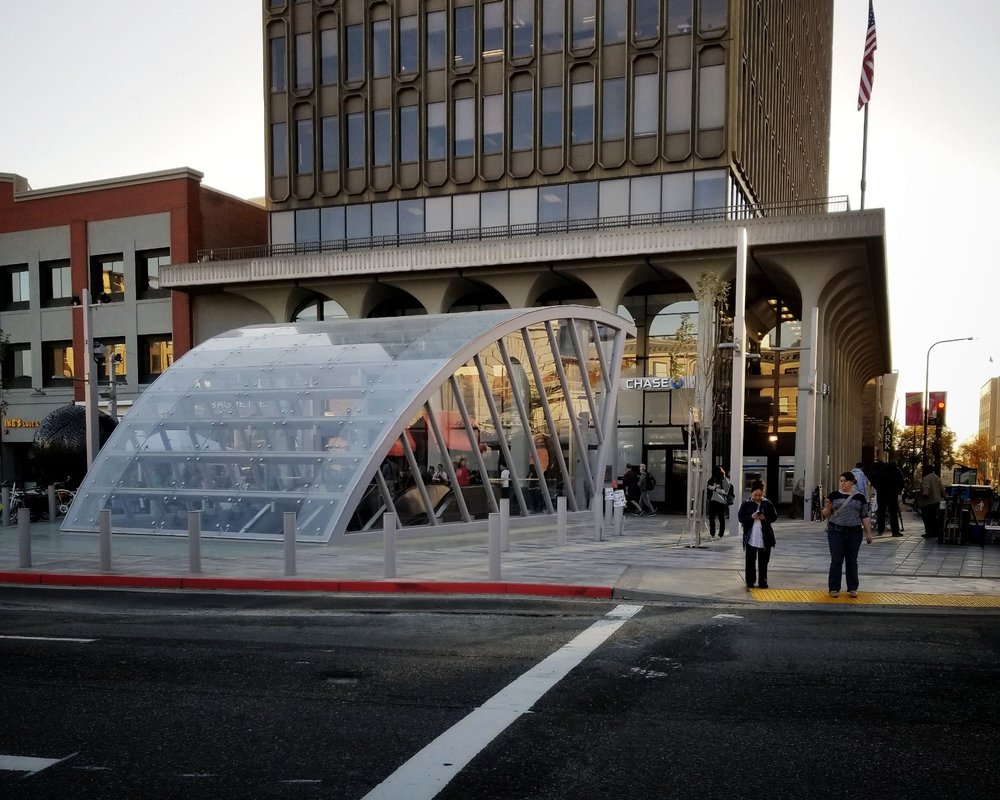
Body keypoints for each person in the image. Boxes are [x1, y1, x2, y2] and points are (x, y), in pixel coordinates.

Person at [822, 471, 873, 598]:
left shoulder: (860, 497)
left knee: (852, 560)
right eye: (841, 481)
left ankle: (852, 588)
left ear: (851, 482)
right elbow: (825, 514)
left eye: (845, 481)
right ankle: (834, 588)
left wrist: (869, 533)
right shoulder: (833, 495)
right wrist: (828, 507)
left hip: (854, 531)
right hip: (836, 531)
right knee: (836, 560)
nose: (842, 483)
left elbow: (865, 516)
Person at [738, 480, 777, 590]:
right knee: (750, 560)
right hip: (751, 538)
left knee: (763, 561)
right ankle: (750, 581)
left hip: (765, 538)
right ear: (751, 493)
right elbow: (741, 518)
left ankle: (763, 582)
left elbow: (774, 517)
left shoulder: (767, 503)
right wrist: (751, 517)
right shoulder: (746, 504)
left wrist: (765, 517)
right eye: (755, 495)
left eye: (760, 495)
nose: (757, 497)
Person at [869, 459, 904, 537]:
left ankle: (880, 530)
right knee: (893, 513)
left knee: (881, 512)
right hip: (892, 494)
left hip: (881, 493)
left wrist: (877, 487)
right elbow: (902, 483)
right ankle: (895, 531)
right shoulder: (896, 471)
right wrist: (897, 490)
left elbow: (872, 477)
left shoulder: (881, 470)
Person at [706, 465, 734, 538]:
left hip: (721, 501)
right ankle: (712, 533)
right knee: (712, 518)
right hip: (713, 501)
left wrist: (714, 489)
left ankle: (720, 533)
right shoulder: (712, 479)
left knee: (721, 518)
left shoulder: (724, 480)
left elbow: (726, 491)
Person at [918, 464, 944, 538]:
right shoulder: (937, 478)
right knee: (933, 517)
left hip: (928, 501)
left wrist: (925, 495)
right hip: (937, 501)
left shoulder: (926, 478)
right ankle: (935, 532)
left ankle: (929, 532)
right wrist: (945, 497)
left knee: (927, 517)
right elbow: (942, 489)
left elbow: (926, 488)